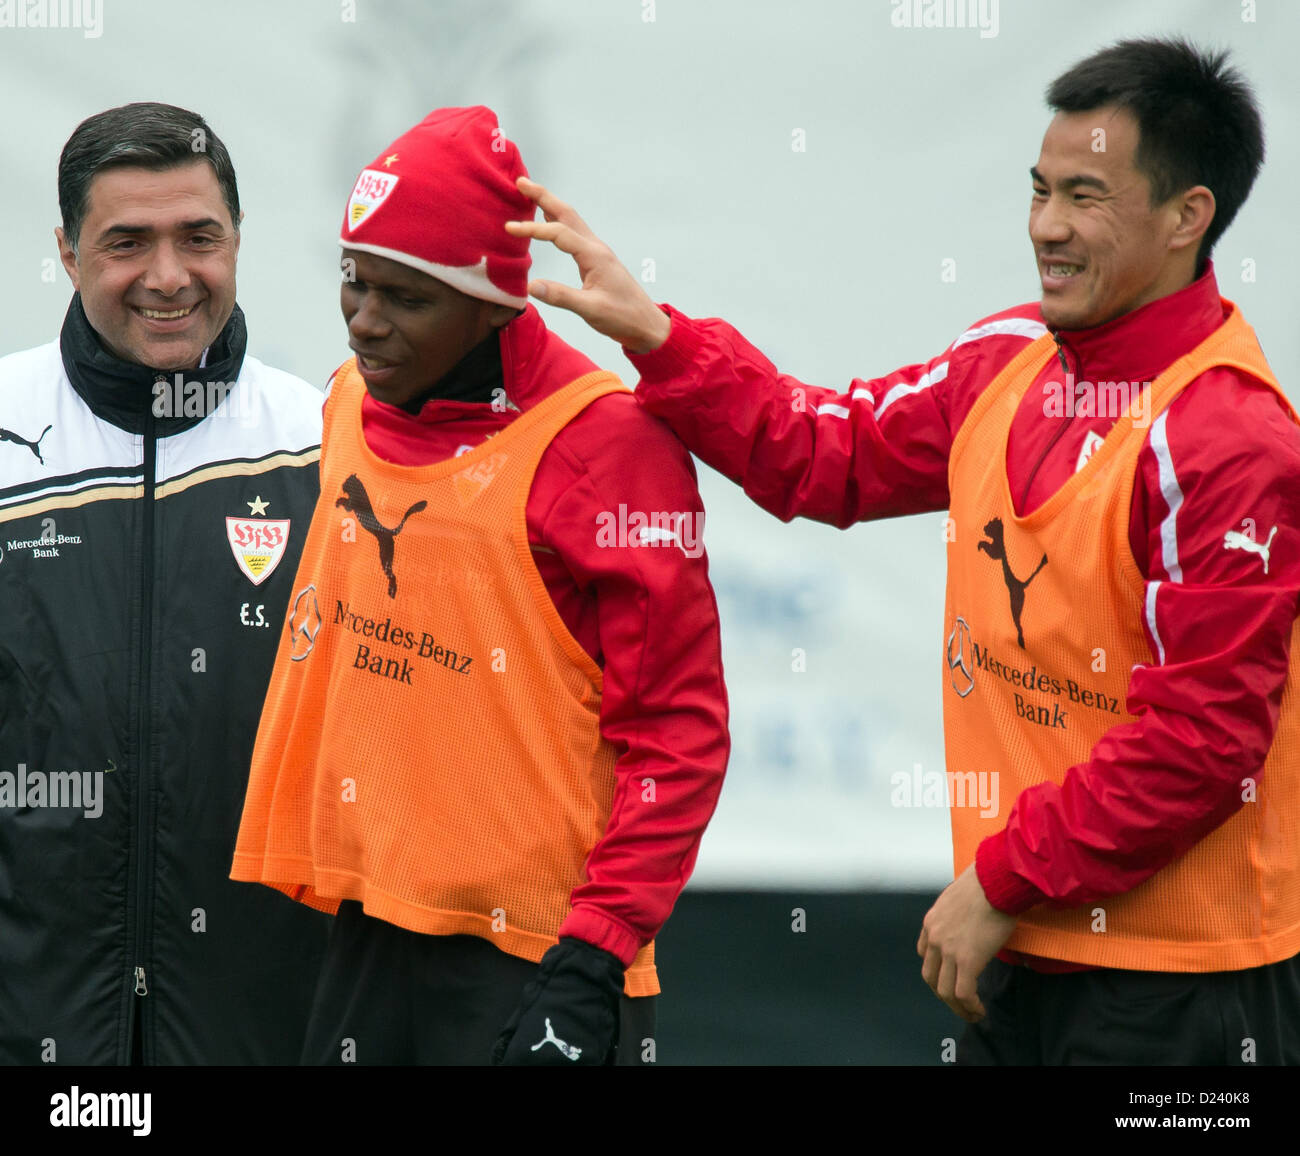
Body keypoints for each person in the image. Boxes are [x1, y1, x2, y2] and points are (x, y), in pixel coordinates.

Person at [507, 38, 1300, 1065]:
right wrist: (656, 334)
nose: (1046, 228)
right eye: (1038, 189)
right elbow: (821, 454)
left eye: (1085, 197)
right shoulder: (1010, 357)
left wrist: (1002, 878)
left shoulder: (1230, 438)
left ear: (1188, 216)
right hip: (1020, 956)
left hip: (1182, 993)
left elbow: (1201, 743)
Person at [231, 106, 729, 1065]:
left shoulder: (606, 444)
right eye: (354, 283)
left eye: (406, 298)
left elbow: (679, 730)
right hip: (372, 932)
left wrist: (596, 955)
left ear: (495, 303)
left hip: (538, 960)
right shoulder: (346, 401)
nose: (366, 322)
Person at [0, 102, 330, 1065]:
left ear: (238, 240)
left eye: (199, 237)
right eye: (126, 242)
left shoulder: (328, 449)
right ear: (65, 252)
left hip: (269, 1024)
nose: (169, 276)